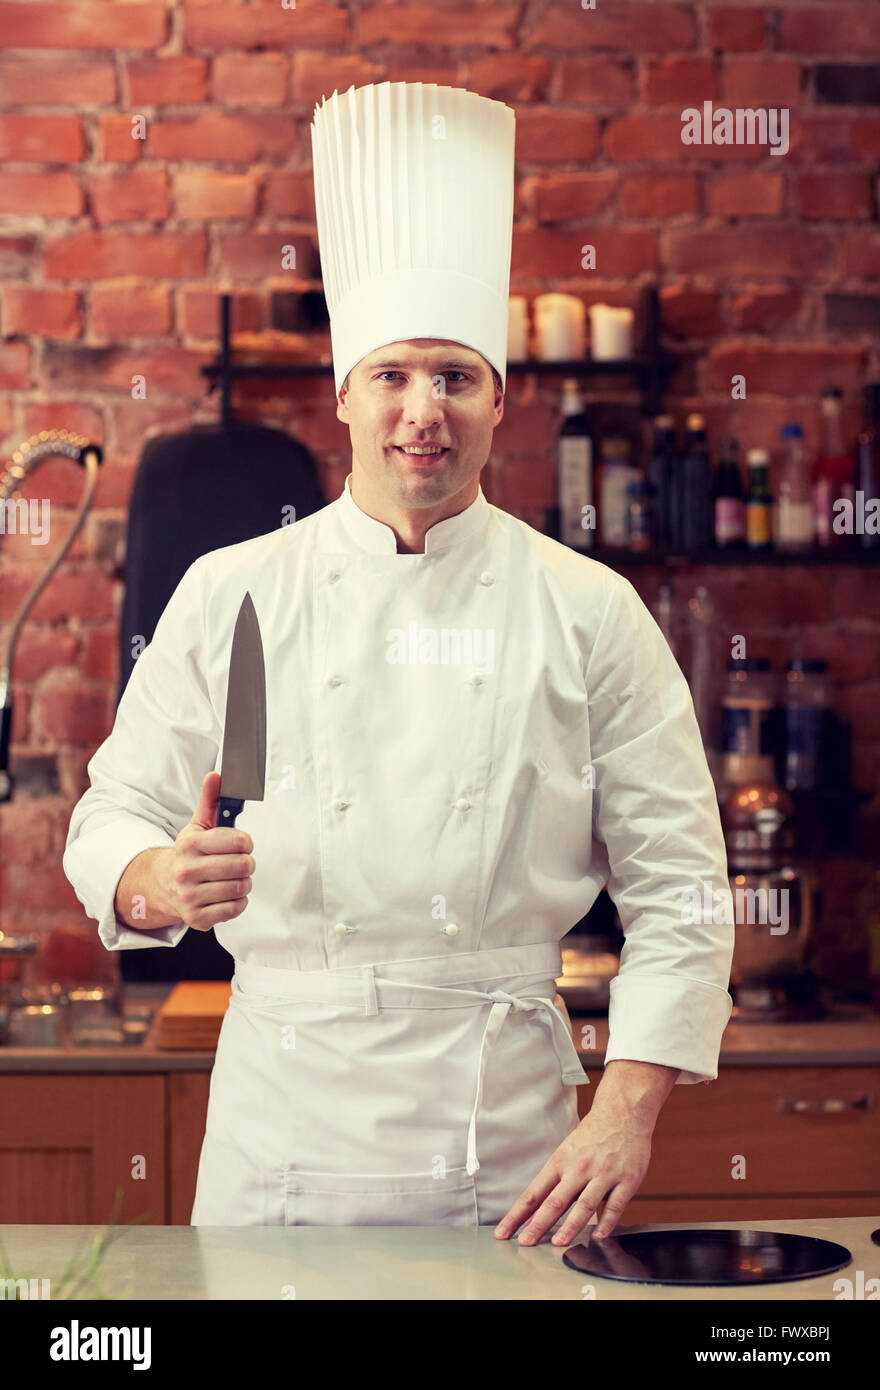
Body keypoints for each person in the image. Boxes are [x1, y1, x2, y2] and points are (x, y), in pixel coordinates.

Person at [64, 82, 734, 1244]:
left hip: (517, 1148)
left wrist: (627, 1110)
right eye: (392, 375)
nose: (422, 410)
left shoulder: (588, 610)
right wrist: (155, 883)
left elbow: (679, 886)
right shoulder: (237, 593)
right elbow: (110, 812)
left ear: (499, 403)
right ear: (344, 397)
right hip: (281, 1138)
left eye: (454, 377)